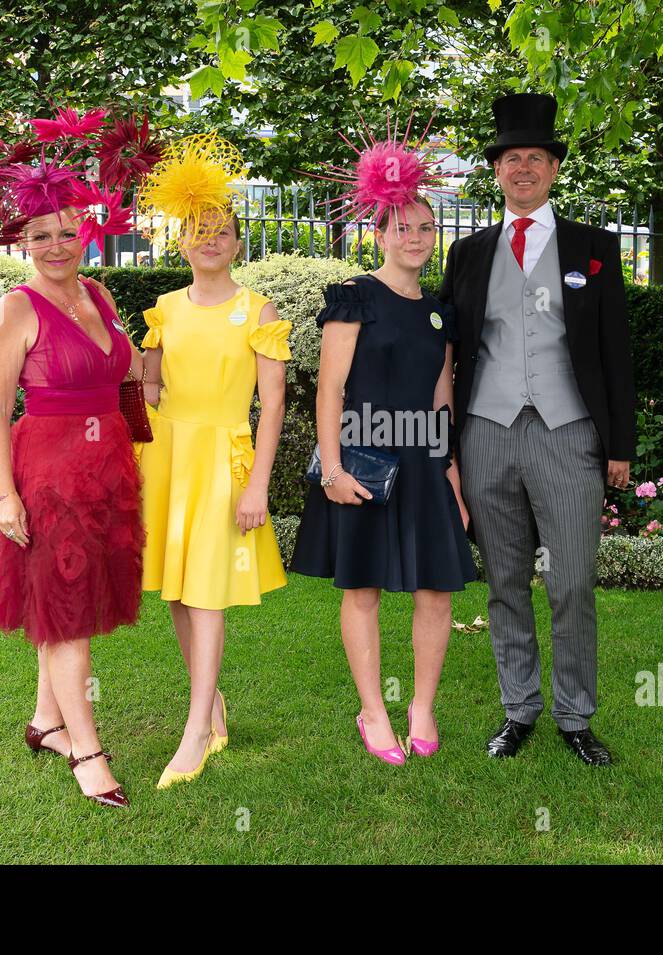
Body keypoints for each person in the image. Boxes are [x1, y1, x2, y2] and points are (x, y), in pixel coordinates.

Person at [0, 109, 158, 808]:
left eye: (67, 232)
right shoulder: (15, 309)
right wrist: (6, 497)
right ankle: (87, 751)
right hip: (49, 472)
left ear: (83, 231)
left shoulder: (99, 293)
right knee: (67, 611)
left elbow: (124, 377)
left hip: (106, 467)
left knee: (70, 602)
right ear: (22, 240)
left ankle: (46, 721)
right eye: (41, 236)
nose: (57, 246)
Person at [439, 93, 637, 767]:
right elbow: (449, 353)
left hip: (567, 432)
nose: (523, 168)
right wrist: (446, 447)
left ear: (553, 169)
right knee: (504, 580)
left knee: (573, 580)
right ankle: (519, 707)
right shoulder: (467, 253)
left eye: (536, 158)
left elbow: (615, 352)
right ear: (496, 171)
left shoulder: (595, 248)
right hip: (487, 432)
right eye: (511, 158)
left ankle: (576, 715)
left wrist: (620, 447)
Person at [291, 130, 475, 766]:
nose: (415, 237)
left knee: (436, 589)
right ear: (379, 233)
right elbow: (330, 389)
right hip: (364, 457)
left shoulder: (439, 311)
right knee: (363, 588)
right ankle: (373, 711)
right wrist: (332, 469)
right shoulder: (354, 296)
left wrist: (451, 472)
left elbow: (441, 394)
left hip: (424, 461)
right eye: (401, 227)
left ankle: (421, 706)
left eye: (425, 227)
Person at [136, 182, 291, 788]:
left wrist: (257, 486)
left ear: (236, 242)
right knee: (177, 590)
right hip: (167, 460)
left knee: (206, 591)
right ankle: (211, 703)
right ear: (180, 242)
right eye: (197, 230)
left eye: (220, 230)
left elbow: (273, 406)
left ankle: (197, 727)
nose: (209, 239)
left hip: (223, 460)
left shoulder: (259, 311)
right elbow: (148, 390)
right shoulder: (165, 310)